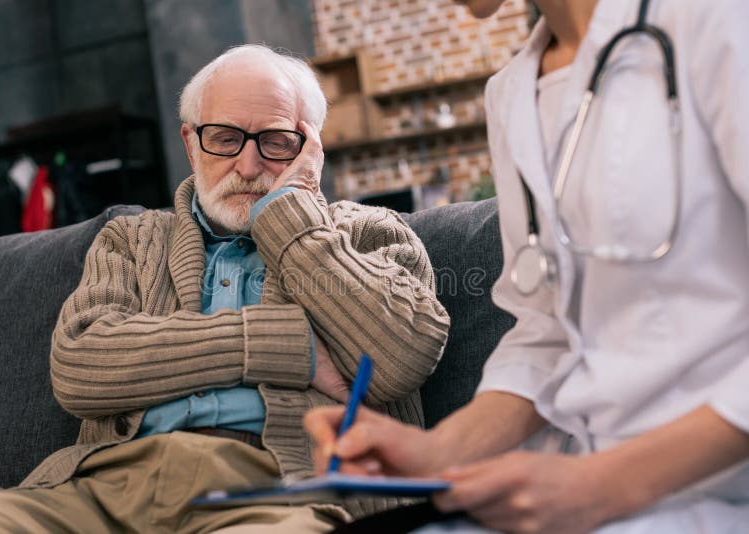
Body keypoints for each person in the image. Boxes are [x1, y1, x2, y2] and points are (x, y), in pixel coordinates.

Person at [0, 44, 450, 533]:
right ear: (190, 144)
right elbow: (81, 365)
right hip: (105, 491)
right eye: (225, 138)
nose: (249, 166)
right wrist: (289, 346)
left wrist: (290, 220)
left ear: (310, 149)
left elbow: (398, 357)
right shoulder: (130, 239)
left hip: (281, 492)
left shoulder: (368, 233)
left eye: (275, 141)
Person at [305, 0, 749, 532]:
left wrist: (602, 485)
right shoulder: (512, 92)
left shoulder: (717, 20)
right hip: (583, 478)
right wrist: (435, 452)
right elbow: (544, 332)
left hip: (716, 486)